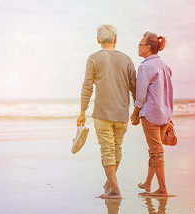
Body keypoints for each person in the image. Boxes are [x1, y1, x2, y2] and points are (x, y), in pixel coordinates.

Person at [77, 24, 136, 199]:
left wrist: (82, 111)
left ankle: (115, 190)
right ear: (115, 39)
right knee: (116, 148)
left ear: (98, 40)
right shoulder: (126, 59)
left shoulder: (93, 58)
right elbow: (134, 87)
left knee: (107, 150)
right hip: (122, 113)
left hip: (102, 113)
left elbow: (87, 86)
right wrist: (137, 110)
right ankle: (110, 183)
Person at [131, 31, 173, 197]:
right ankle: (148, 183)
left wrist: (135, 112)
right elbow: (167, 91)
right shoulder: (164, 65)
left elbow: (141, 95)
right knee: (155, 150)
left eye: (140, 45)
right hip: (164, 114)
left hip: (150, 114)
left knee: (156, 152)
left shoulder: (145, 67)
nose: (138, 47)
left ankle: (162, 189)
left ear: (148, 48)